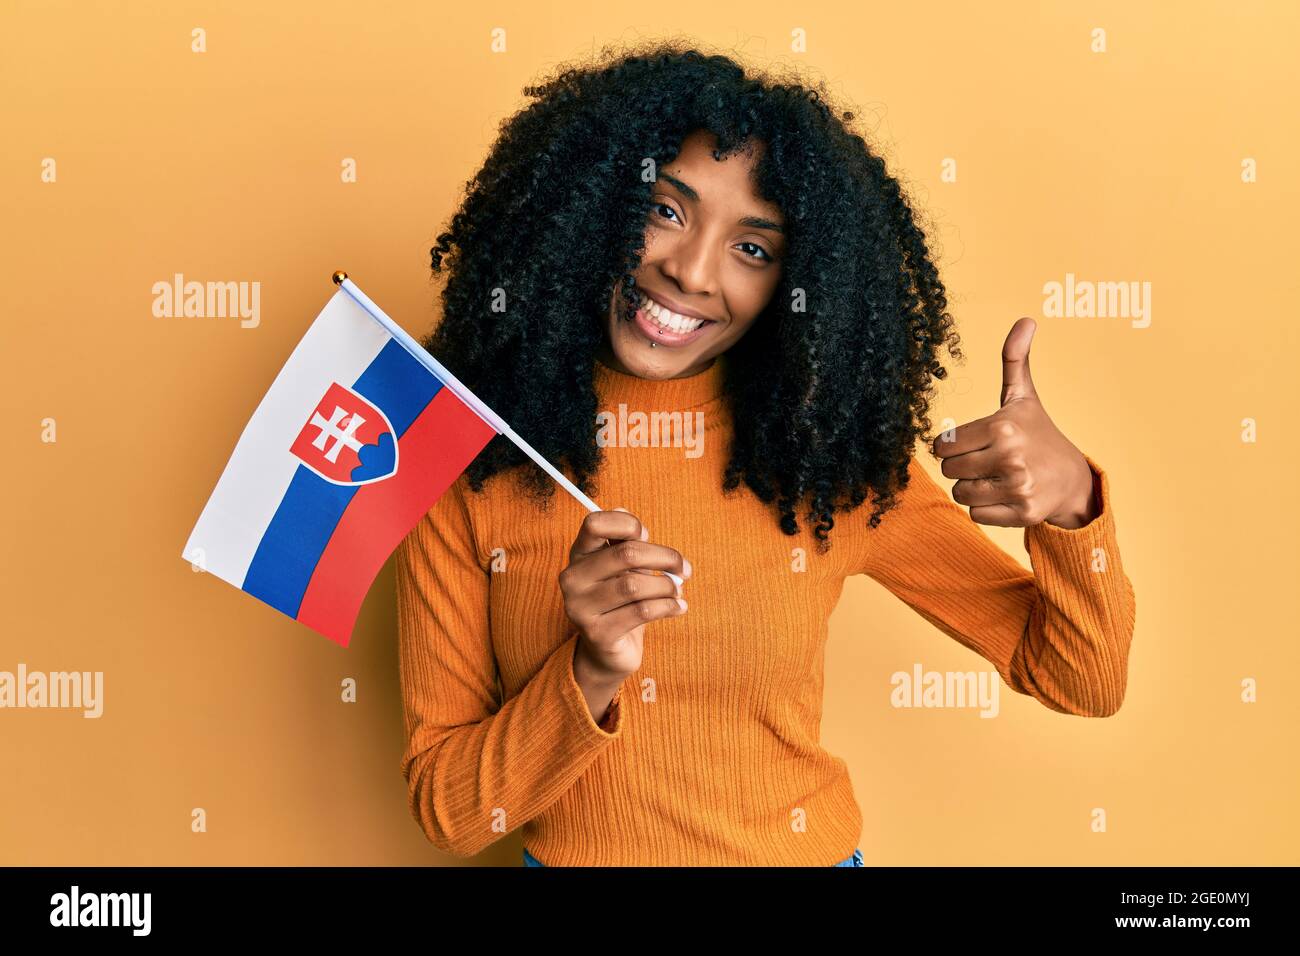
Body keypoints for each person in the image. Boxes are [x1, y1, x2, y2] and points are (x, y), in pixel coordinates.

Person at [395, 41, 1136, 867]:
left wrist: (1075, 508)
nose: (691, 272)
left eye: (753, 248)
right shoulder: (474, 459)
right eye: (666, 210)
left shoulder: (823, 464)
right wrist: (589, 670)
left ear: (795, 283)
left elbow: (1082, 681)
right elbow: (450, 813)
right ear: (590, 203)